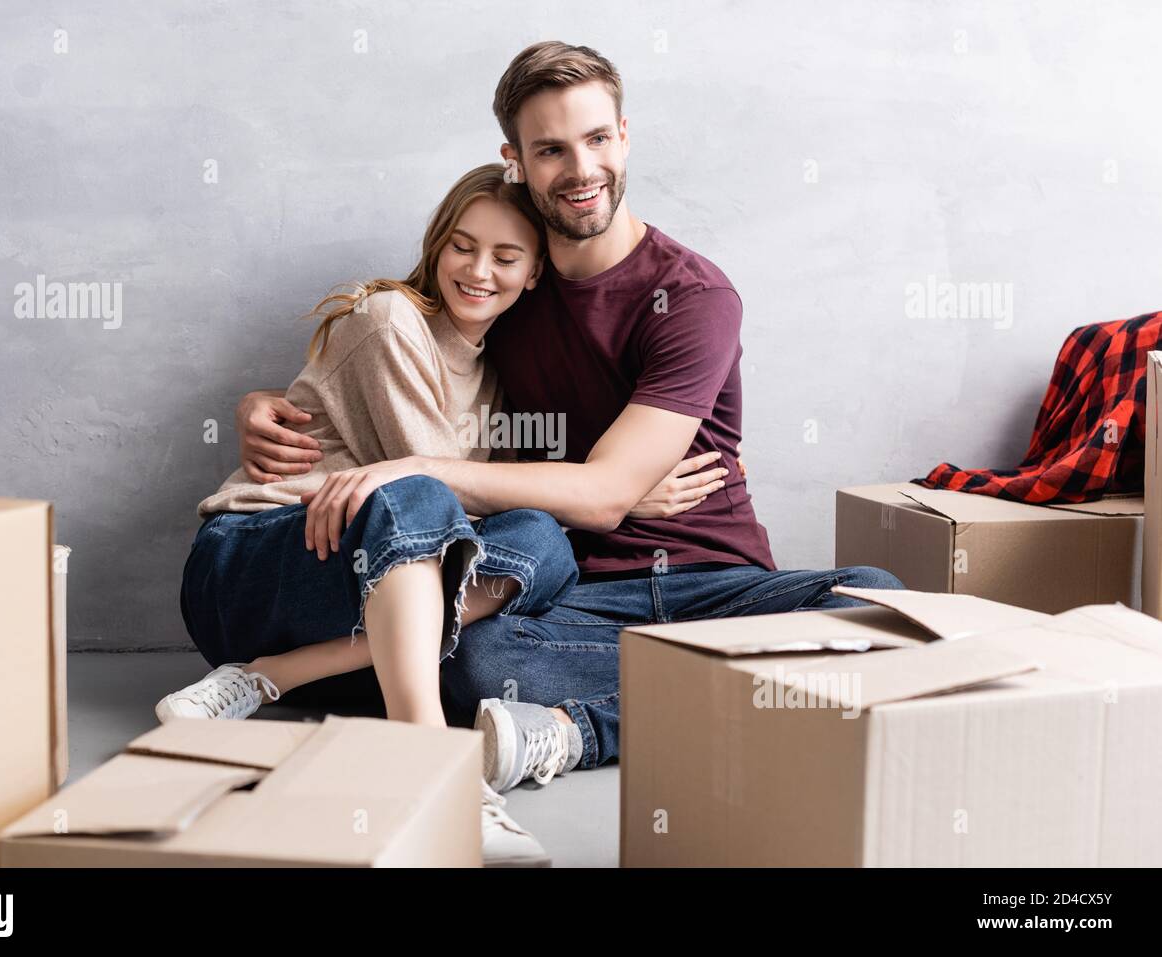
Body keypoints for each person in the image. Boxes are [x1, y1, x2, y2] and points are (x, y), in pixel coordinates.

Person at [234, 42, 904, 802]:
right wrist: (264, 403)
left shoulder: (692, 296)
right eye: (551, 149)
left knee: (879, 604)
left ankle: (576, 730)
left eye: (595, 140)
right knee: (469, 656)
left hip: (717, 585)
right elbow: (400, 340)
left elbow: (608, 492)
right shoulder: (508, 284)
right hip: (571, 596)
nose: (581, 169)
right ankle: (720, 680)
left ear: (624, 135)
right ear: (515, 159)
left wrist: (420, 470)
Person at [166, 162, 722, 867]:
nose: (478, 269)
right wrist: (620, 495)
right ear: (436, 245)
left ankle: (275, 674)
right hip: (251, 562)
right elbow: (435, 489)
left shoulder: (497, 372)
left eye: (506, 256)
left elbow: (481, 510)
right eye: (462, 245)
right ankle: (434, 774)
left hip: (358, 595)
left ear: (533, 276)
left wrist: (607, 486)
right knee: (425, 497)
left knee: (544, 540)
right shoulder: (390, 320)